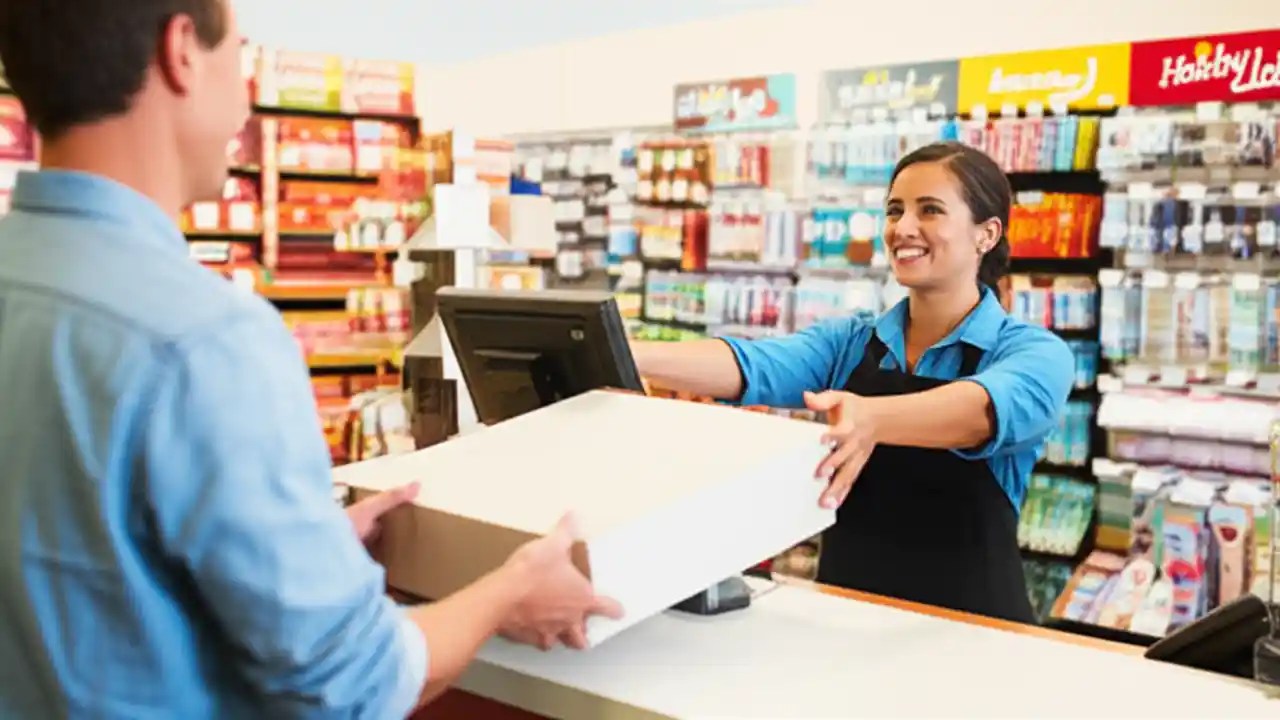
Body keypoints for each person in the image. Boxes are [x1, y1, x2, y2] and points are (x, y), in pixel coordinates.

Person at [0, 1, 619, 717]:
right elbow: (350, 686)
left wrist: (293, 547)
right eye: (242, 49)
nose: (245, 94)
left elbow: (90, 565)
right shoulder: (206, 338)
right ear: (181, 52)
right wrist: (508, 591)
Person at [633, 141, 1074, 624]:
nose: (902, 228)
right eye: (894, 210)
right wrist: (627, 353)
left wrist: (873, 418)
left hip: (974, 638)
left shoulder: (1035, 353)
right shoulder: (850, 341)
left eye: (930, 210)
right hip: (844, 624)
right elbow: (751, 365)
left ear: (986, 234)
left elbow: (981, 412)